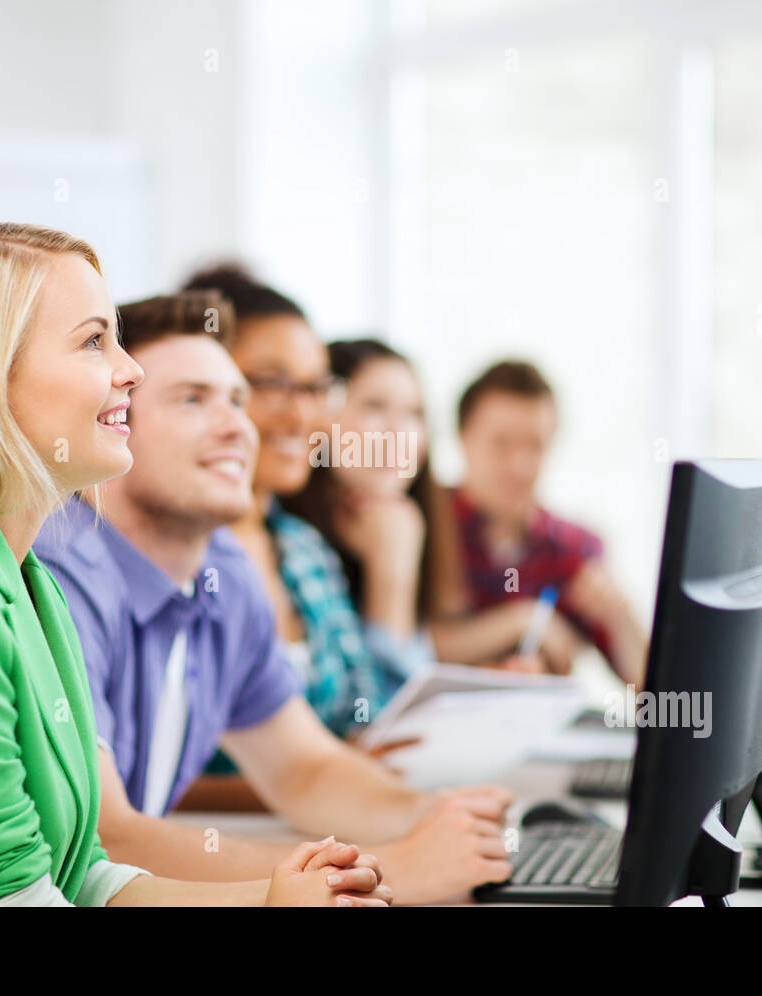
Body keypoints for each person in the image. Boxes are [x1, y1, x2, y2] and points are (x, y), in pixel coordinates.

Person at [0, 224, 387, 908]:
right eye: (93, 341)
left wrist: (271, 899)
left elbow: (80, 876)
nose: (130, 370)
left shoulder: (28, 584)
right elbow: (10, 901)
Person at [32, 292, 513, 905]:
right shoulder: (58, 566)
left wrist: (437, 818)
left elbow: (305, 769)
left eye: (236, 398)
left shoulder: (225, 570)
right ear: (114, 418)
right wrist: (395, 869)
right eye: (192, 400)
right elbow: (103, 842)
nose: (240, 424)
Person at [181, 266, 429, 745]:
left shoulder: (303, 550)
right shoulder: (171, 554)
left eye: (315, 388)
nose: (301, 415)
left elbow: (372, 723)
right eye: (272, 384)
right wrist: (335, 774)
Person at [282, 339, 573, 672]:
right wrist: (391, 570)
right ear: (322, 416)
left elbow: (406, 685)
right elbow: (378, 708)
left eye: (414, 414)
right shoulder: (291, 546)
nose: (397, 432)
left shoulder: (407, 523)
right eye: (375, 407)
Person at [452, 360, 648, 688]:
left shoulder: (576, 550)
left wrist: (620, 617)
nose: (520, 465)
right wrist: (522, 621)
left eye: (535, 445)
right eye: (501, 443)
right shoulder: (424, 528)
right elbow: (399, 646)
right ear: (463, 439)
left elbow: (654, 696)